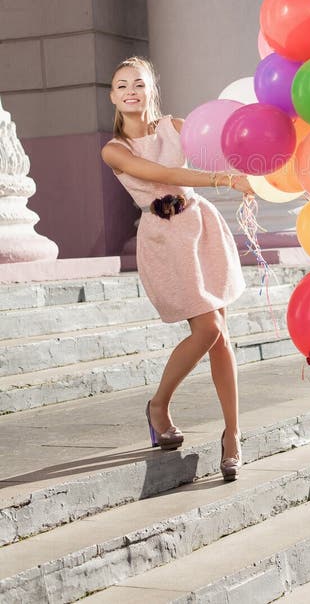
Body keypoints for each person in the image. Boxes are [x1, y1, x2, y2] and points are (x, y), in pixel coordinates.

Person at [101, 56, 251, 481]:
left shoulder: (177, 125)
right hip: (165, 240)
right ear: (113, 96)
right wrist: (223, 181)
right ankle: (159, 405)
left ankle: (233, 436)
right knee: (208, 330)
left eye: (139, 84)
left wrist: (248, 170)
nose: (131, 90)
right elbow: (165, 173)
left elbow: (219, 148)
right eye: (122, 84)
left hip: (201, 227)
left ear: (151, 91)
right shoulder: (115, 149)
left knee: (222, 335)